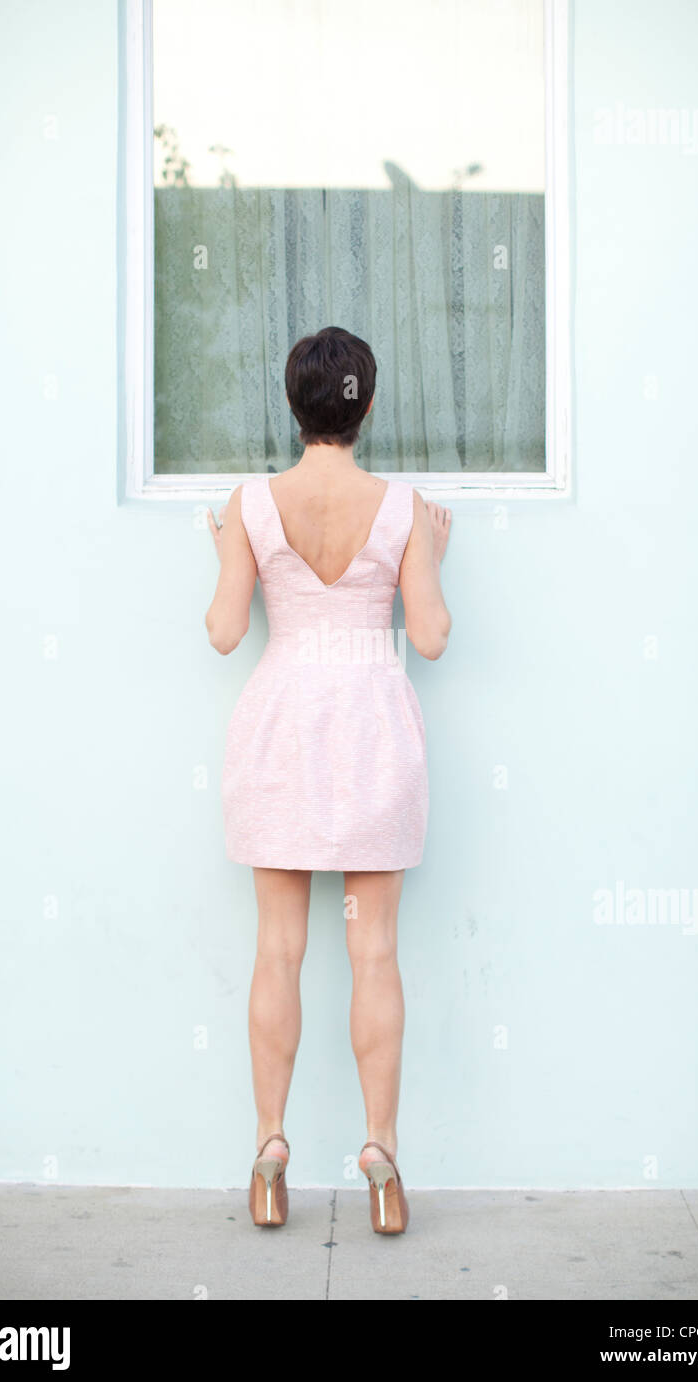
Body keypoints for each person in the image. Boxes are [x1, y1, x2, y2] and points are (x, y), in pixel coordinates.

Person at [205, 326, 451, 1233]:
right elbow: (426, 636)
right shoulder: (404, 508)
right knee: (373, 953)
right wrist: (431, 558)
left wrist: (226, 552)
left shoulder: (251, 504)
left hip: (281, 731)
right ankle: (380, 1156)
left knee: (278, 949)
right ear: (368, 406)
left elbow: (227, 631)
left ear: (292, 405)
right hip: (373, 725)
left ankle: (271, 1152)